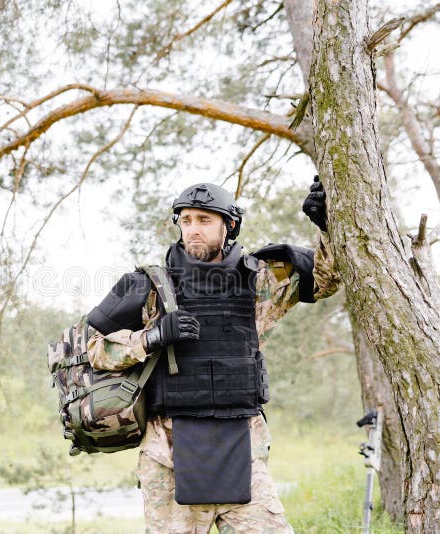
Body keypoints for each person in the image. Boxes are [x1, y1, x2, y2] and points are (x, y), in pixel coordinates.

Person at [85, 179, 339, 533]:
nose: (193, 230)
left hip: (243, 449)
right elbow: (94, 349)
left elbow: (327, 280)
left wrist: (328, 225)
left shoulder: (260, 279)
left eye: (204, 220)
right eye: (186, 221)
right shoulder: (148, 286)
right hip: (168, 455)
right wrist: (153, 336)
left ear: (229, 225)